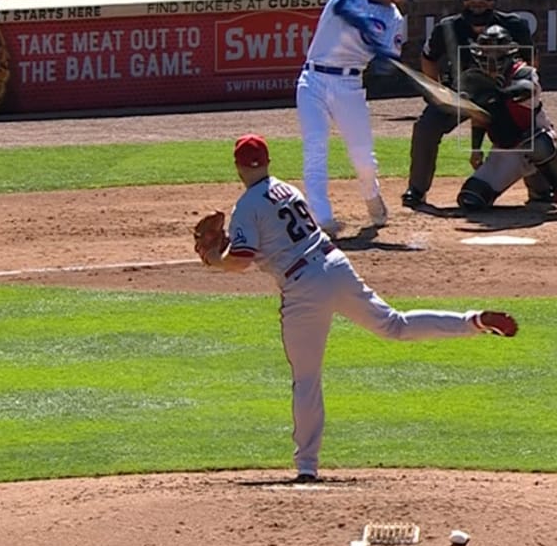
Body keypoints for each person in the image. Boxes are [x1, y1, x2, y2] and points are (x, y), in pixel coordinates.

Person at [193, 132, 519, 484]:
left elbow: (241, 260)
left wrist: (214, 260)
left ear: (238, 166)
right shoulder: (290, 190)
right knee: (396, 325)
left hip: (303, 288)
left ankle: (306, 466)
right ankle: (472, 321)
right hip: (336, 265)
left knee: (306, 380)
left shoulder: (247, 206)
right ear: (268, 161)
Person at [295, 0, 418, 235]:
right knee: (315, 149)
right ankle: (323, 218)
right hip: (312, 79)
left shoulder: (394, 19)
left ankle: (371, 194)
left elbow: (387, 64)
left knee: (362, 157)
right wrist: (363, 23)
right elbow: (340, 5)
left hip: (348, 85)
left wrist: (383, 56)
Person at [402, 0, 549, 209]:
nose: (477, 7)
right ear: (463, 4)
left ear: (492, 4)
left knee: (528, 132)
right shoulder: (447, 28)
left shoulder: (514, 24)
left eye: (482, 2)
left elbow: (531, 63)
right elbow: (428, 59)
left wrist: (519, 91)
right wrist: (437, 91)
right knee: (426, 126)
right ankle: (417, 189)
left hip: (502, 94)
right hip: (459, 95)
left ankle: (541, 190)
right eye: (472, 2)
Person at [455, 26, 557, 216]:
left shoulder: (524, 72)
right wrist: (476, 149)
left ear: (509, 53)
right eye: (486, 51)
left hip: (535, 144)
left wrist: (492, 93)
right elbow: (479, 118)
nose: (491, 57)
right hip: (504, 151)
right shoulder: (476, 79)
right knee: (470, 199)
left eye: (497, 51)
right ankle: (540, 192)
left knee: (538, 144)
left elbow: (525, 90)